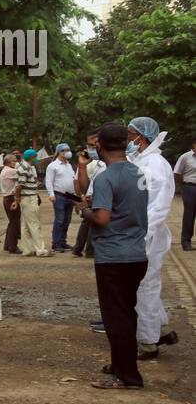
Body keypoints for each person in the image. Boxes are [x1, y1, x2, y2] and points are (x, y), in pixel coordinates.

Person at [84, 124, 150, 389]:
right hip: (136, 253)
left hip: (113, 256)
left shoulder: (106, 177)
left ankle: (128, 376)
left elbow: (102, 217)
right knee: (126, 313)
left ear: (99, 145)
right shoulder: (137, 172)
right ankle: (122, 363)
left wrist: (85, 212)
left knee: (115, 318)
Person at [127, 117, 178, 359]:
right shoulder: (142, 160)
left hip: (148, 234)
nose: (127, 140)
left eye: (130, 134)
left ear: (142, 136)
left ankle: (148, 342)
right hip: (143, 232)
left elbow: (159, 206)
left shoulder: (156, 164)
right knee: (148, 284)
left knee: (144, 286)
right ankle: (160, 329)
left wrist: (142, 234)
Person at [72, 140, 105, 257]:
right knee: (92, 223)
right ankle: (89, 250)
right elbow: (77, 181)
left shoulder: (98, 163)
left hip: (90, 197)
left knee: (87, 222)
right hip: (93, 198)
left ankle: (78, 248)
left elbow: (77, 182)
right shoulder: (93, 163)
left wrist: (80, 197)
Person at [44, 142, 79, 252]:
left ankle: (63, 242)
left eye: (69, 149)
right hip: (59, 196)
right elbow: (49, 181)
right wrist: (51, 195)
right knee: (59, 220)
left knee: (67, 220)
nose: (68, 152)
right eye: (66, 150)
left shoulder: (69, 165)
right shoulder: (53, 166)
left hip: (70, 196)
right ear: (59, 152)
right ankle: (56, 243)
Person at [16, 148, 50, 256]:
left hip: (27, 198)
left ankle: (27, 249)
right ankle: (40, 249)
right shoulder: (25, 167)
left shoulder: (28, 167)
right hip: (29, 199)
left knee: (25, 225)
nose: (37, 158)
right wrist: (16, 199)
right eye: (35, 156)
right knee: (34, 224)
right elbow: (19, 186)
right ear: (31, 157)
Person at [174, 134, 196, 252]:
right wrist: (183, 186)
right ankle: (186, 242)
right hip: (190, 188)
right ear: (193, 145)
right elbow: (177, 173)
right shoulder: (185, 157)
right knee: (189, 215)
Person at [0, 153, 22, 253]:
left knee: (12, 222)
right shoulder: (11, 171)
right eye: (14, 161)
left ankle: (8, 245)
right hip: (11, 198)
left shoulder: (4, 171)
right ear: (8, 162)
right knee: (15, 223)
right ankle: (13, 247)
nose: (16, 163)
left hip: (6, 198)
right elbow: (24, 174)